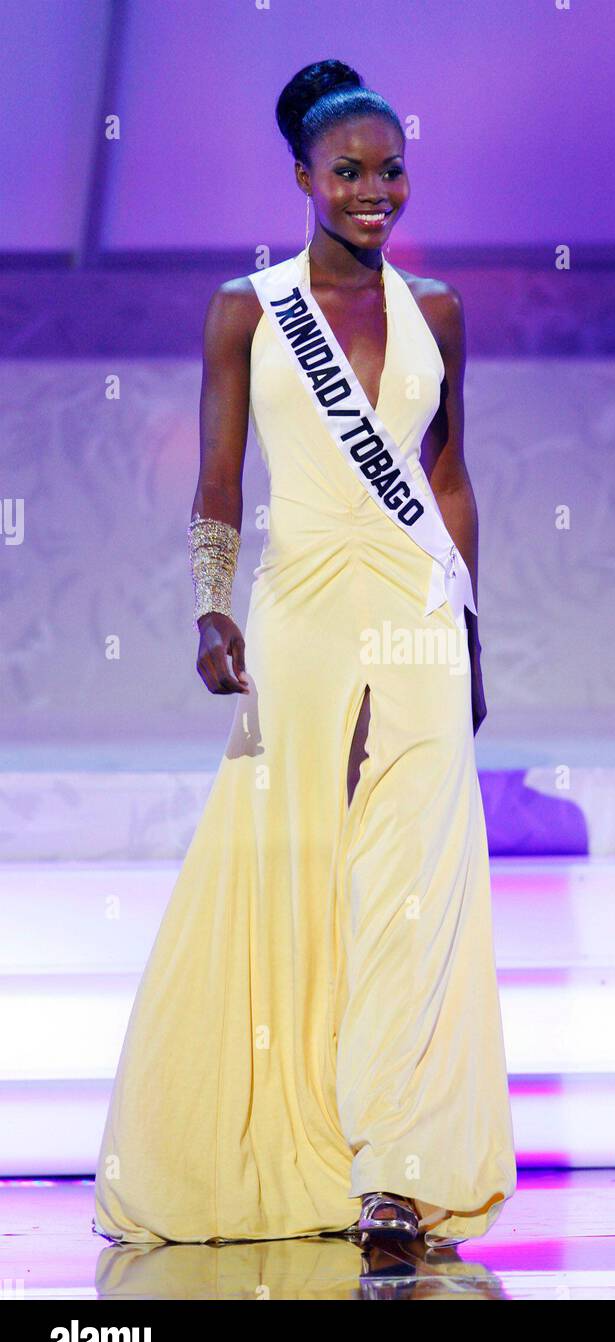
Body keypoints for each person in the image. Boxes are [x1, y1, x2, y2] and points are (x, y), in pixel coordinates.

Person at [93, 58, 516, 1249]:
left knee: (416, 879)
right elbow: (219, 479)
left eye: (391, 170)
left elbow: (448, 476)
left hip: (421, 610)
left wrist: (474, 640)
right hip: (302, 608)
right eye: (350, 171)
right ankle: (281, 1137)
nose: (375, 189)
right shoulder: (249, 308)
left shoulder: (439, 311)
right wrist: (210, 607)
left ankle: (399, 1166)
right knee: (291, 865)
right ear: (304, 178)